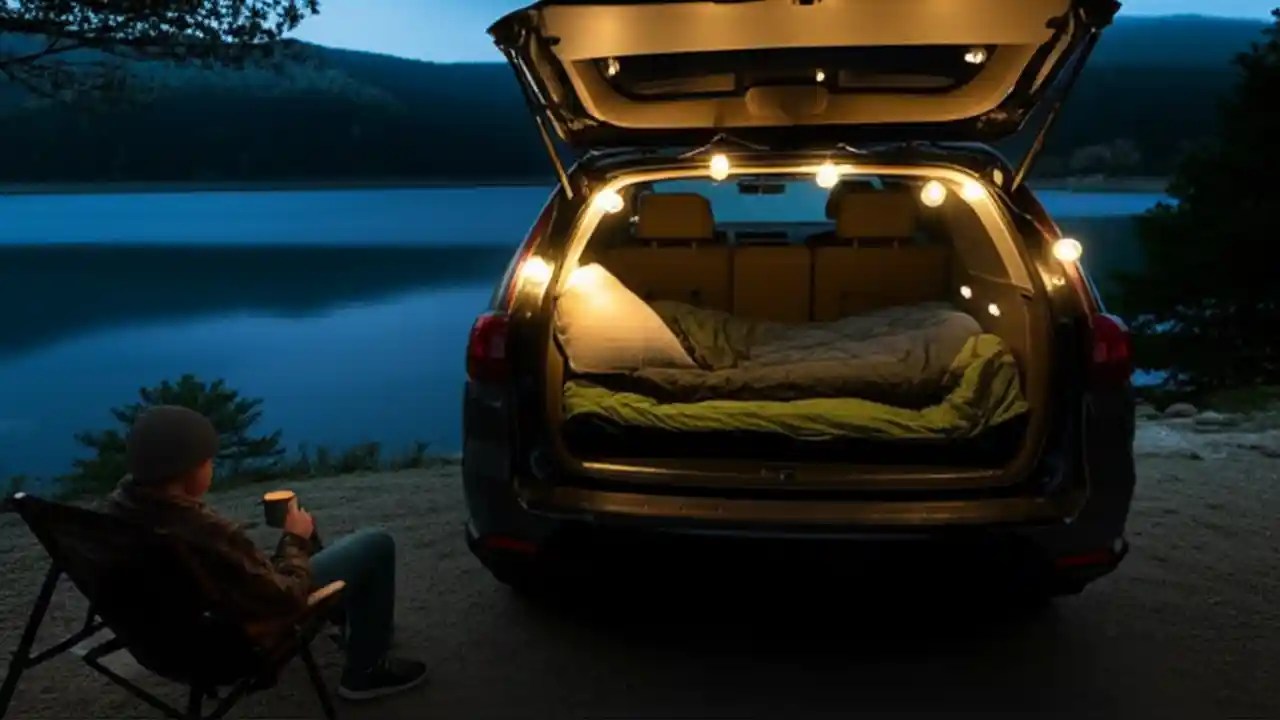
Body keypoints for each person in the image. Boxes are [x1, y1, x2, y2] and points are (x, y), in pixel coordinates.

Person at [105, 405, 427, 701]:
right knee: (376, 543)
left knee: (307, 535)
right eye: (208, 461)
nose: (211, 467)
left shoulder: (123, 509)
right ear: (189, 471)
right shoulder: (203, 533)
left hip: (163, 640)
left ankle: (348, 619)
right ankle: (365, 673)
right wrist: (295, 539)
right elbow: (285, 597)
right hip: (236, 642)